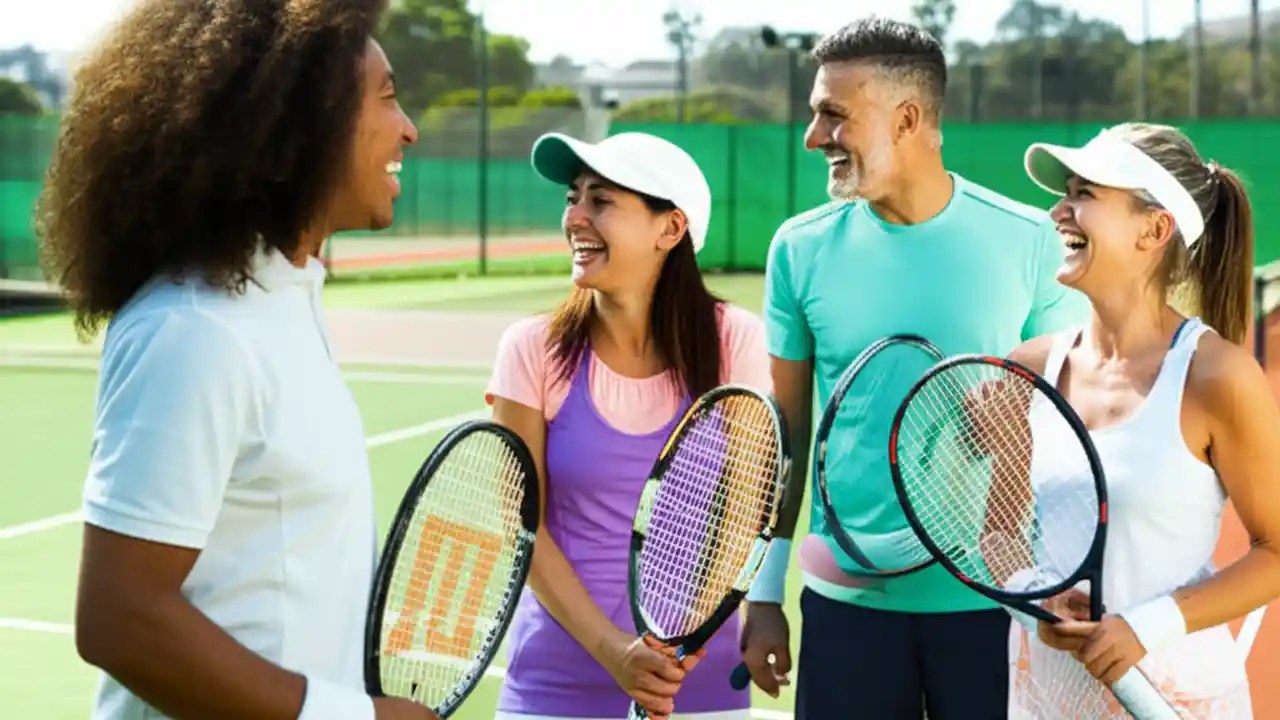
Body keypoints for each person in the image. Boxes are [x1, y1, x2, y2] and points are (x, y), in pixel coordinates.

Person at [36, 1, 428, 718]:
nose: (409, 128)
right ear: (301, 123)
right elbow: (120, 621)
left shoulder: (282, 299)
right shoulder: (197, 330)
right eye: (387, 97)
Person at [739, 16, 1091, 720]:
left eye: (833, 116)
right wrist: (764, 589)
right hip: (847, 613)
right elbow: (786, 433)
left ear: (906, 119)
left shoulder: (1030, 242)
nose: (814, 137)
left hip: (996, 606)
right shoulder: (797, 249)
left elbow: (1060, 429)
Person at [486, 131, 772, 720]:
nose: (576, 218)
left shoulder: (734, 341)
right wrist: (615, 653)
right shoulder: (529, 348)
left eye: (601, 201)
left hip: (698, 686)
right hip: (552, 687)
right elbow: (521, 527)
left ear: (670, 230)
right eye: (573, 197)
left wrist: (670, 654)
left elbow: (742, 513)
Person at [1002, 122, 1280, 718]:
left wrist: (1141, 627)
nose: (1059, 212)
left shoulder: (1219, 376)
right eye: (1066, 192)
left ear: (1155, 230)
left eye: (1084, 194)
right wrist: (1035, 598)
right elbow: (996, 537)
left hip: (1179, 693)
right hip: (1046, 692)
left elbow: (1277, 550)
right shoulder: (1029, 366)